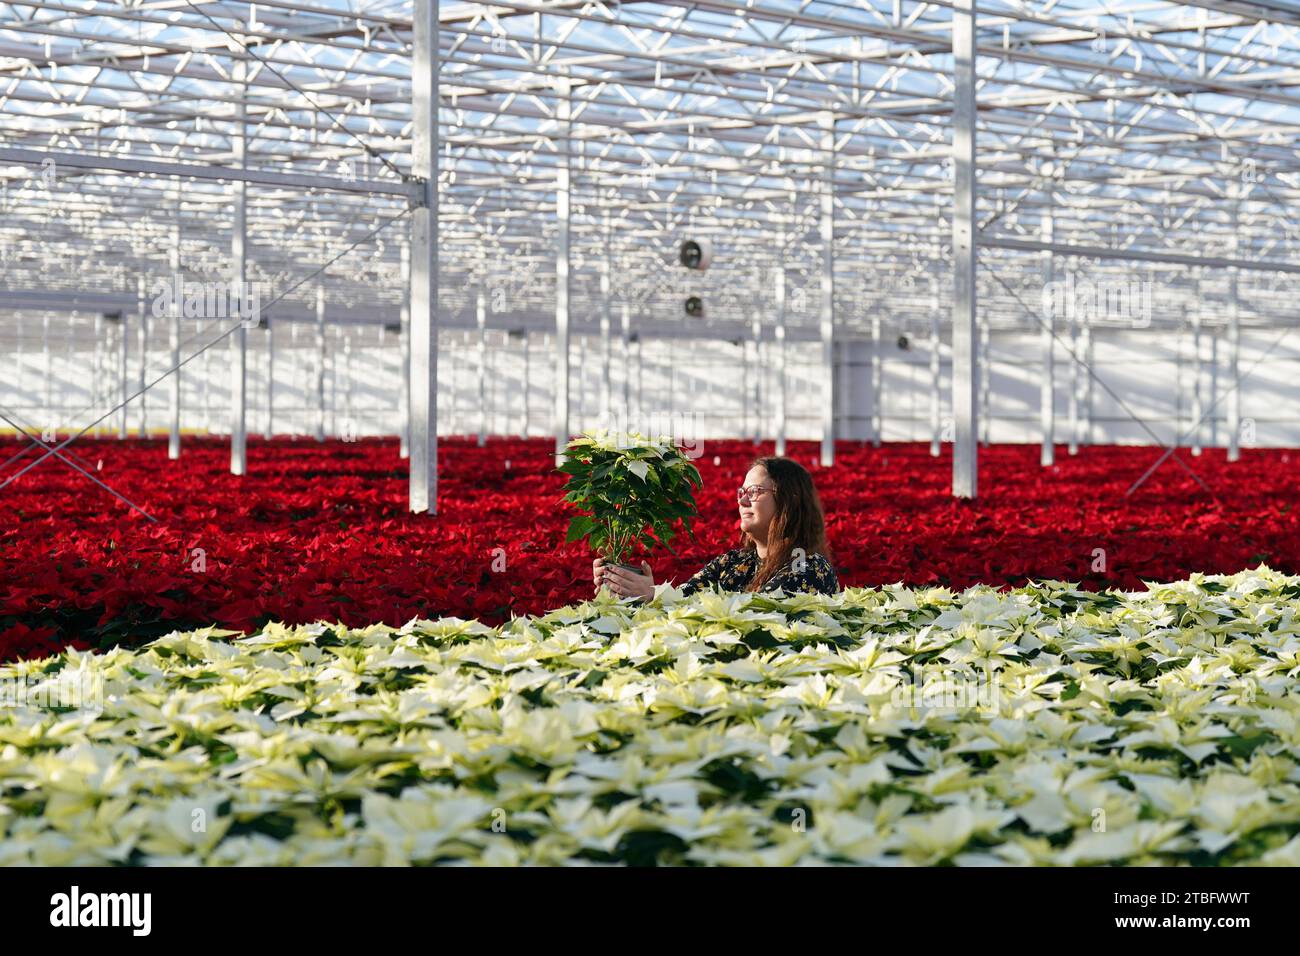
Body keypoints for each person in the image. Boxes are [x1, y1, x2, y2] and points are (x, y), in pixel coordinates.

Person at [594, 456, 839, 600]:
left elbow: (759, 618)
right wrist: (623, 587)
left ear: (790, 500)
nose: (742, 501)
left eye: (754, 492)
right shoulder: (732, 563)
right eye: (742, 492)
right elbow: (684, 599)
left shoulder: (808, 566)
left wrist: (657, 596)